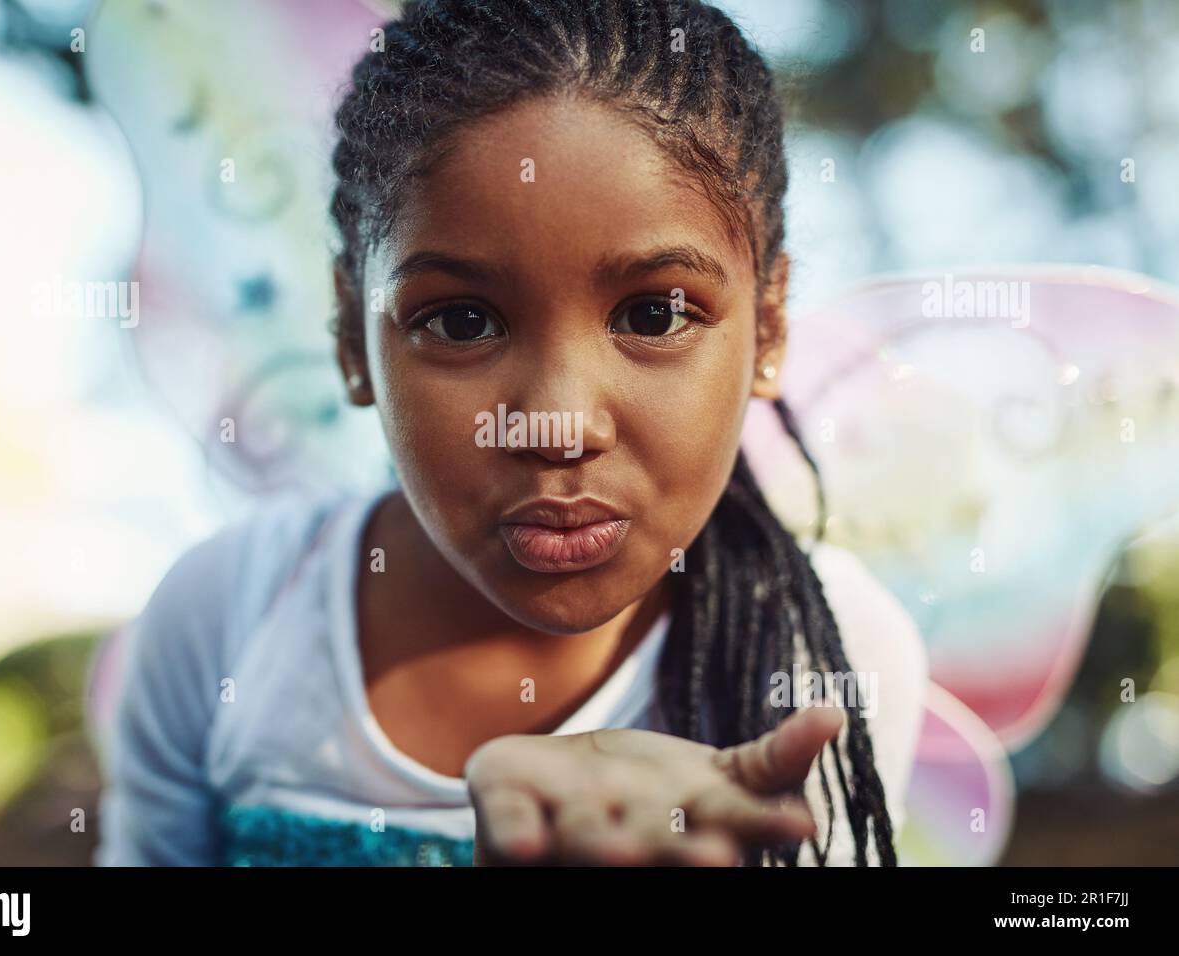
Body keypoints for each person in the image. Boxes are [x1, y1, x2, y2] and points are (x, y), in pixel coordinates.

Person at [93, 0, 928, 867]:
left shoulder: (821, 652)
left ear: (770, 326)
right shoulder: (226, 616)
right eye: (460, 322)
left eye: (655, 312)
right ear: (351, 337)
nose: (560, 425)